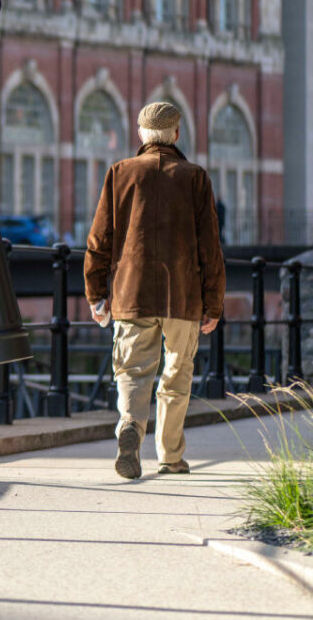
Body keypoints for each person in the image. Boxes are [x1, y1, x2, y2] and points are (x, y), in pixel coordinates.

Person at [84, 101, 225, 479]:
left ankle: (130, 424)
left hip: (132, 292)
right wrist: (213, 303)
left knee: (132, 370)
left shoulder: (120, 173)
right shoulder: (195, 177)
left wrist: (97, 294)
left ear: (141, 134)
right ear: (177, 134)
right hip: (183, 294)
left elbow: (99, 240)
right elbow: (210, 246)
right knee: (177, 375)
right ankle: (171, 456)